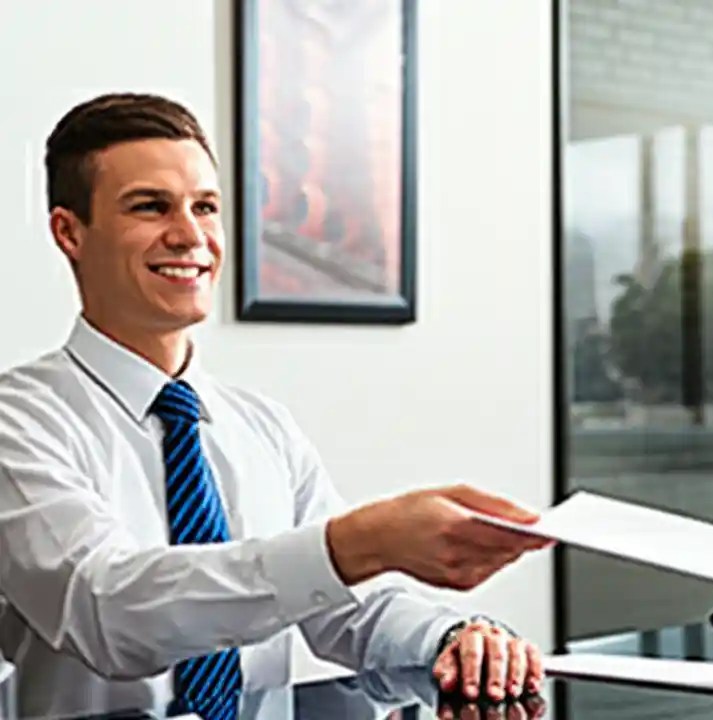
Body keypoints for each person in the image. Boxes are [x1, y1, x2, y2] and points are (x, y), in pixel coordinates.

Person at [0, 93, 551, 719]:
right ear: (69, 232)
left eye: (206, 207)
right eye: (150, 207)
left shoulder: (261, 426)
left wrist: (448, 638)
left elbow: (337, 604)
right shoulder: (17, 422)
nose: (190, 235)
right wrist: (354, 542)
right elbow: (106, 609)